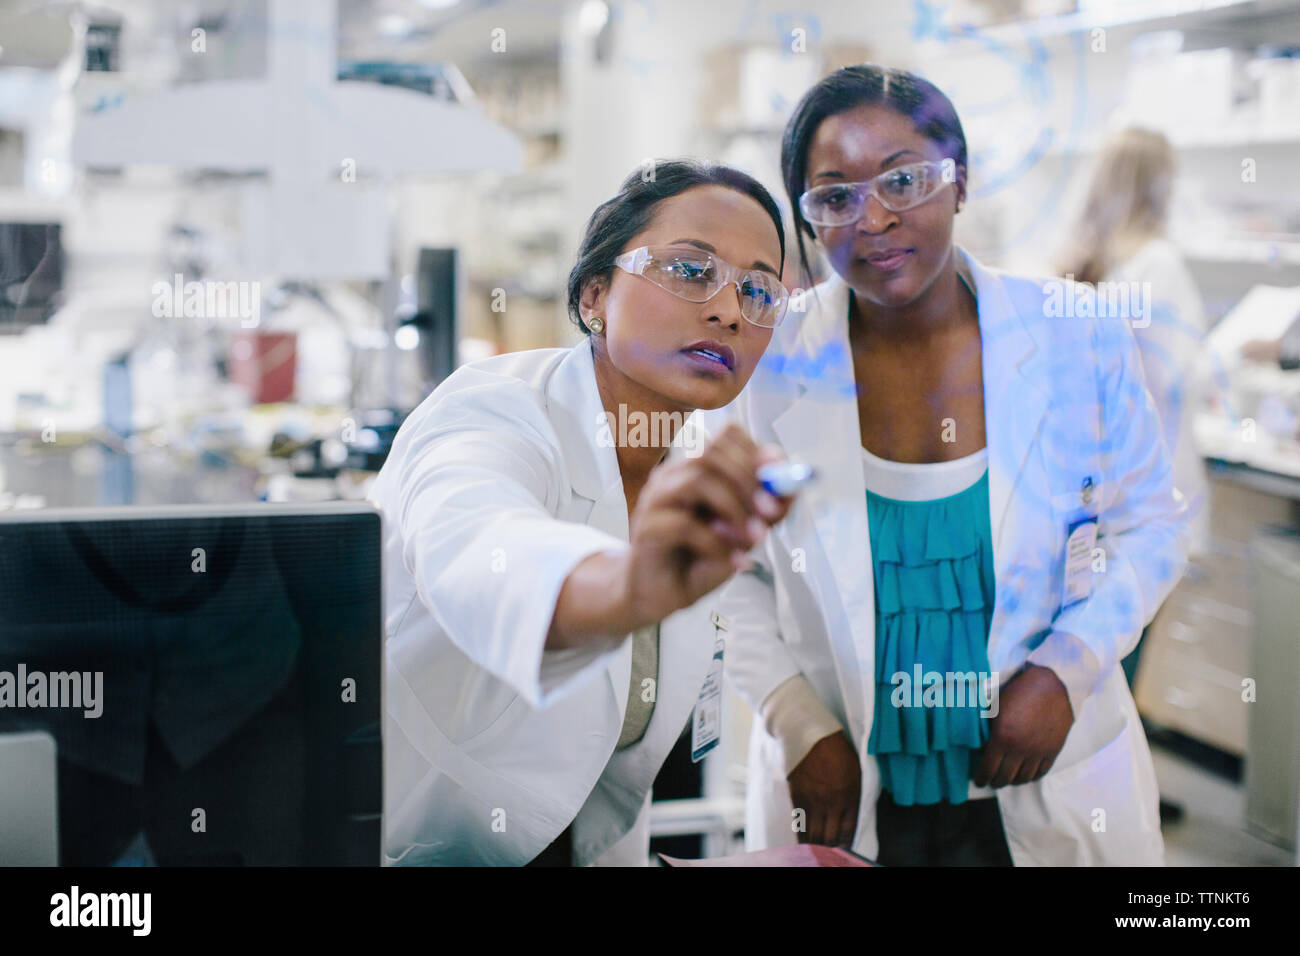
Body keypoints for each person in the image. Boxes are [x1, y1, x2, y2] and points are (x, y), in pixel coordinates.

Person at [707, 65, 1188, 866]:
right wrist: (797, 720)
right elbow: (720, 571)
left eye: (905, 179)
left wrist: (1064, 672)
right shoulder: (763, 361)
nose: (877, 218)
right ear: (807, 221)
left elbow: (1155, 527)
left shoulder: (1078, 337)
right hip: (840, 787)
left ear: (959, 182)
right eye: (837, 197)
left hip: (1046, 778)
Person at [368, 160, 796, 866]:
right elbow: (479, 549)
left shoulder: (688, 469)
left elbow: (606, 772)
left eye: (758, 290)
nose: (728, 311)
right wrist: (629, 587)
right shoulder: (493, 411)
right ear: (595, 293)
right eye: (691, 271)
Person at [1057, 126, 1211, 568]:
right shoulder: (1158, 264)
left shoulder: (1090, 264)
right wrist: (1233, 360)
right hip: (1151, 492)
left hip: (1098, 490)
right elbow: (1178, 378)